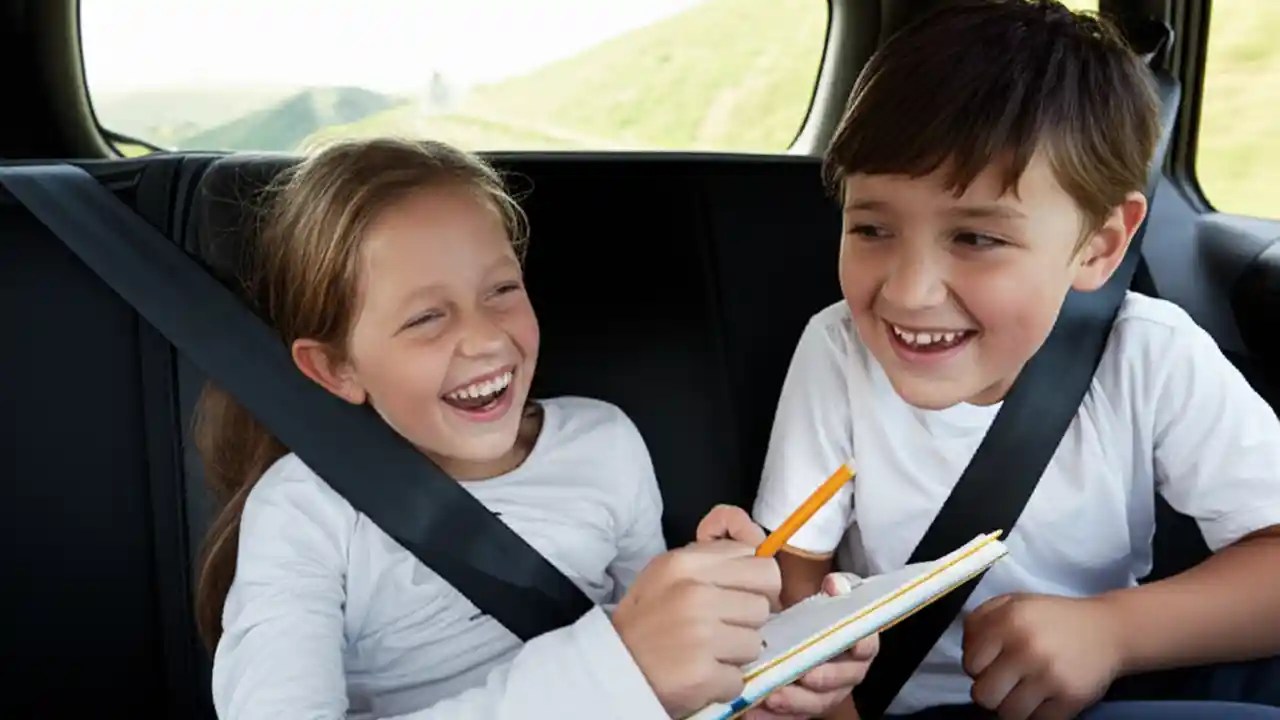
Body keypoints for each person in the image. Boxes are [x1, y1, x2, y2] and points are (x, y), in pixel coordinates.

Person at [193, 137, 873, 719]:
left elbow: (666, 661)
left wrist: (760, 650)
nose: (486, 339)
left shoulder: (603, 443)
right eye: (427, 318)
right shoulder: (305, 509)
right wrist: (619, 670)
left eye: (502, 291)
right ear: (337, 368)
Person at [750, 2, 1280, 719]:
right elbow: (796, 567)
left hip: (1102, 691)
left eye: (976, 239)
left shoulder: (1150, 355)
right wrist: (825, 697)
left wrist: (1115, 633)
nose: (906, 291)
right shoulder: (839, 351)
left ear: (1097, 245)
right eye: (871, 227)